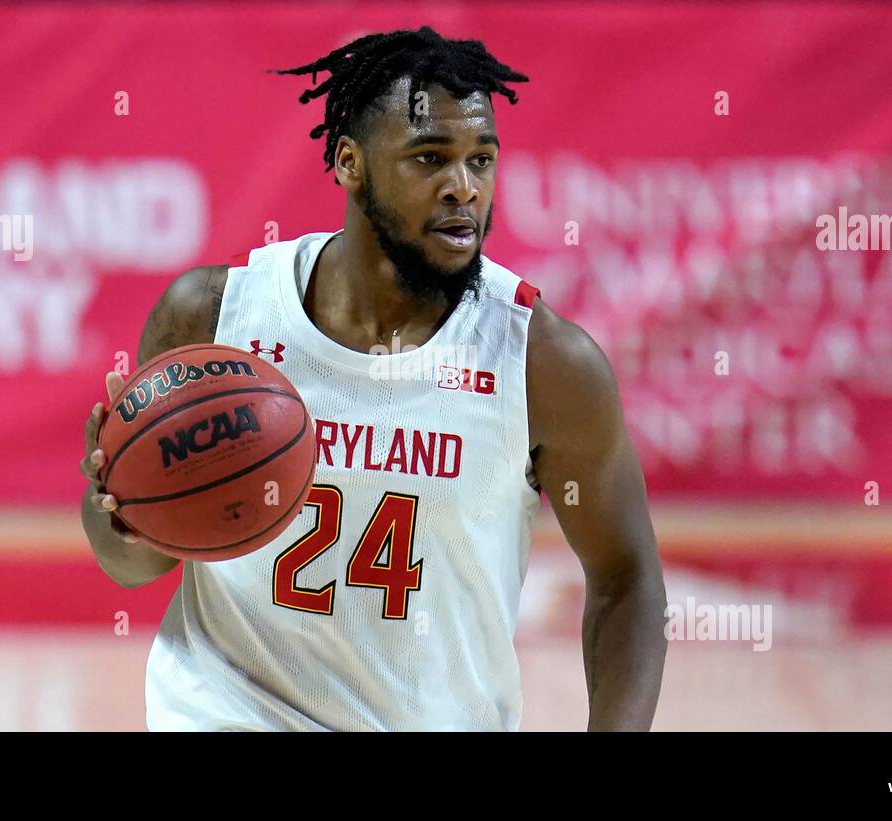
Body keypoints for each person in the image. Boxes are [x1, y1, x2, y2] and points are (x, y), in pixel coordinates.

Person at [79, 26, 666, 731]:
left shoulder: (544, 363)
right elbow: (129, 566)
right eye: (430, 158)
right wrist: (123, 511)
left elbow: (626, 576)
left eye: (482, 159)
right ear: (350, 164)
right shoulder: (213, 315)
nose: (464, 187)